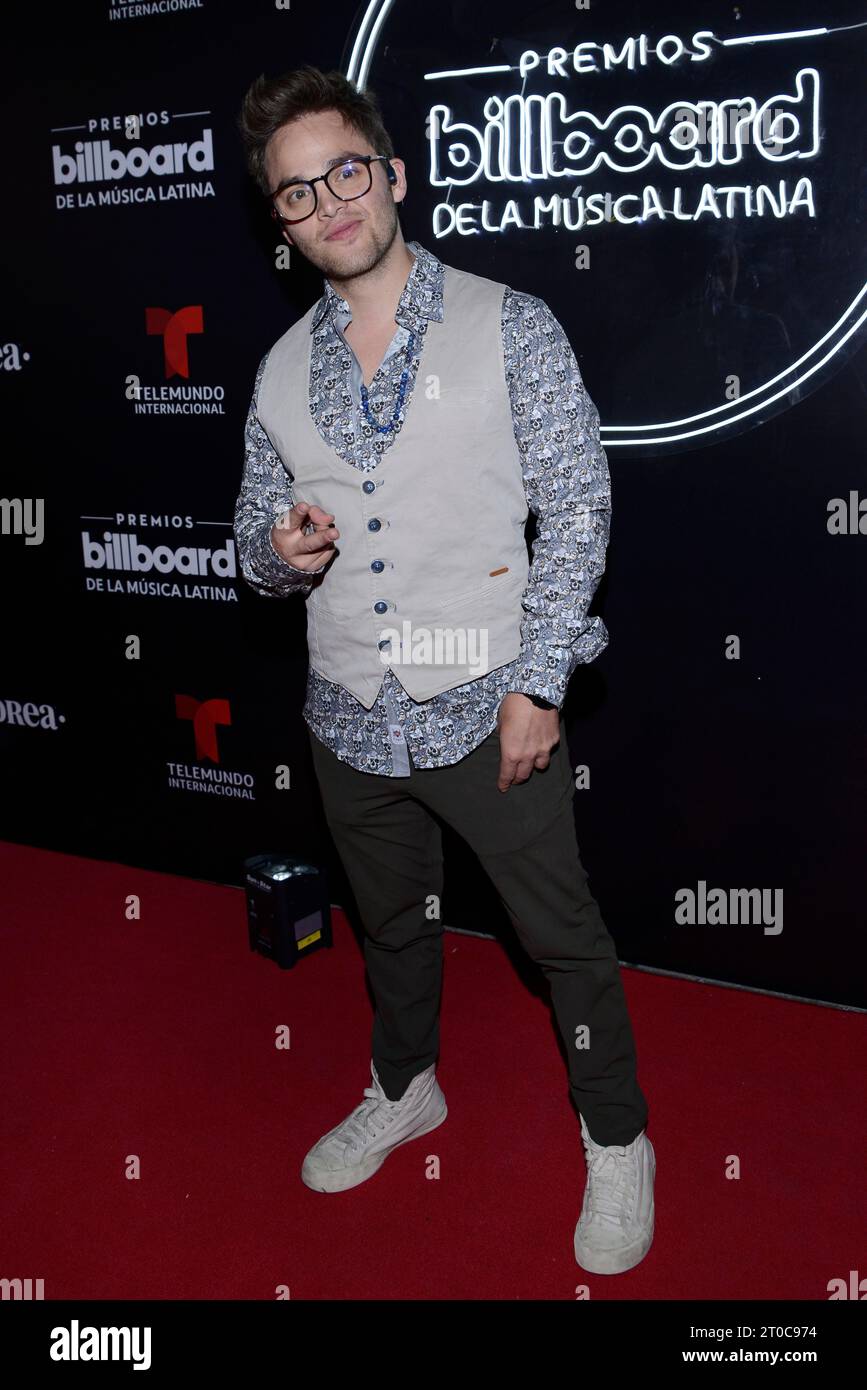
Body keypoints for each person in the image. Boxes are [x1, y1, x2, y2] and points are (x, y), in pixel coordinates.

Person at [234, 65, 655, 1275]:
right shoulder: (272, 373)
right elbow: (255, 545)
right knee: (393, 929)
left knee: (561, 937)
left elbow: (577, 508)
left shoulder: (509, 322)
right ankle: (405, 1085)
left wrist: (538, 682)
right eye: (298, 191)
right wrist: (277, 550)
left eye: (346, 172)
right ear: (284, 220)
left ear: (392, 175)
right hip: (347, 716)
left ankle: (618, 1135)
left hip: (490, 707)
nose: (330, 203)